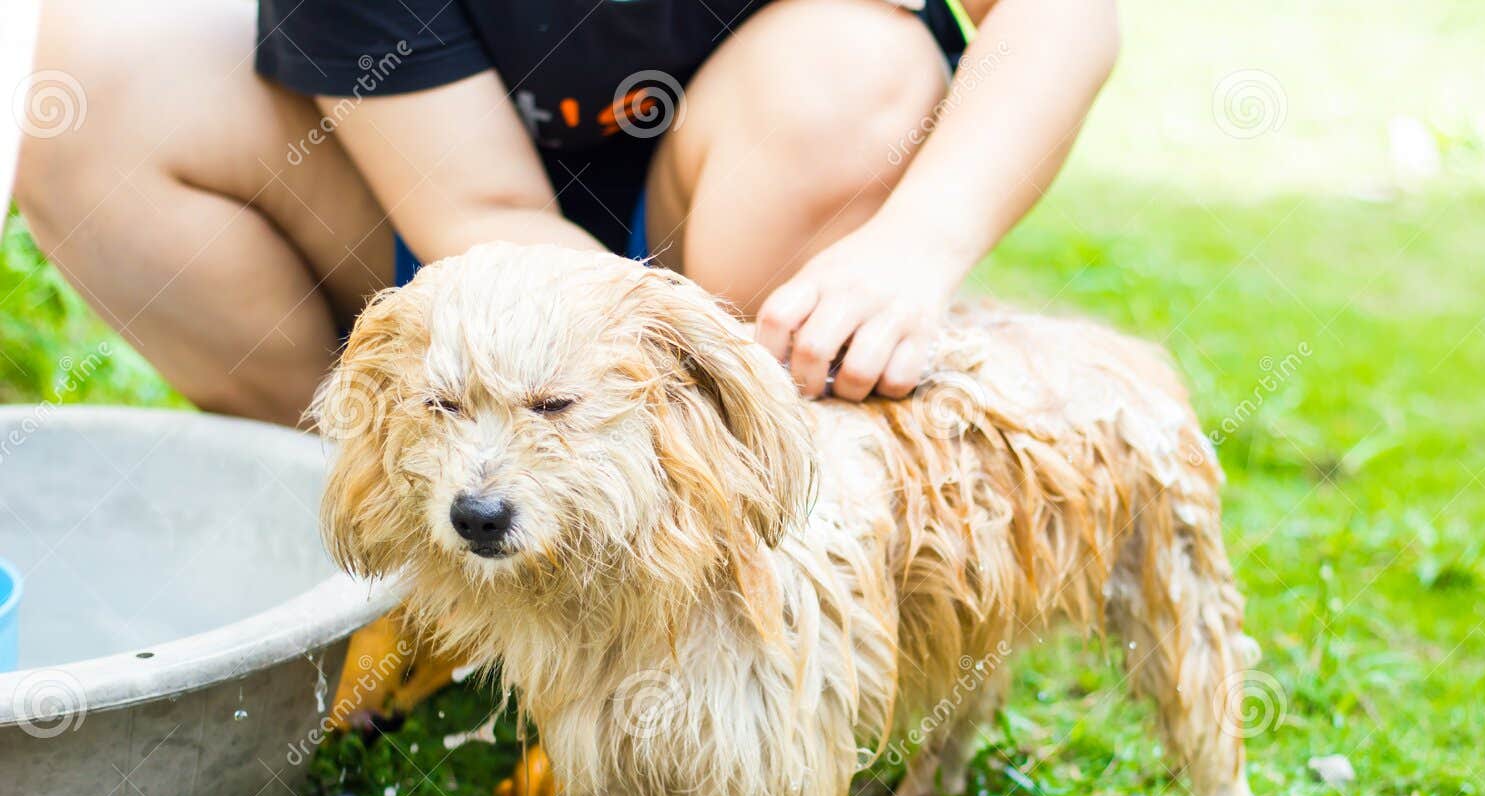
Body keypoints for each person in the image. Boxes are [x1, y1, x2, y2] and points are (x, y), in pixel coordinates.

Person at [15, 0, 1119, 427]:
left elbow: (1061, 14)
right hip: (464, 245)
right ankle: (378, 522)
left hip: (744, 221)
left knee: (856, 70)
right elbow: (478, 208)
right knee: (84, 91)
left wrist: (913, 248)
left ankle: (722, 518)